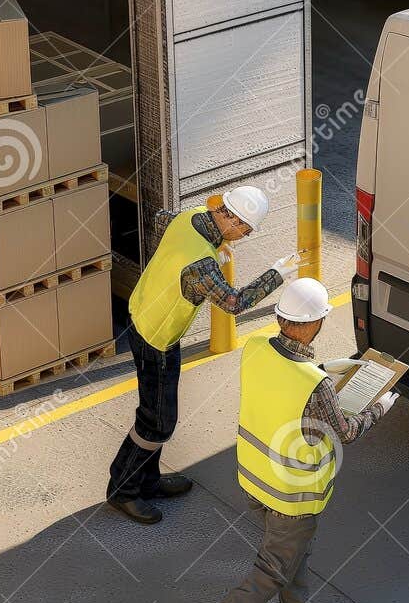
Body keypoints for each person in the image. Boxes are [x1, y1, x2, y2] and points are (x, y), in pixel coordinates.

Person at [163, 277, 397, 603]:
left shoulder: (256, 348)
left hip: (255, 480)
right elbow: (344, 431)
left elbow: (284, 383)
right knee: (271, 573)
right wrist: (379, 407)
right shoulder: (316, 385)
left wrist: (324, 371)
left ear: (280, 316)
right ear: (316, 323)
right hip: (293, 496)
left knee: (292, 556)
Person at [107, 186, 300, 524]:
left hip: (145, 314)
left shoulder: (191, 215)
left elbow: (160, 220)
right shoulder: (201, 267)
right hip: (156, 340)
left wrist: (215, 246)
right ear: (234, 221)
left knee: (158, 416)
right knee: (157, 423)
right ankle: (123, 489)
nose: (244, 237)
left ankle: (148, 481)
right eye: (246, 230)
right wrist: (276, 275)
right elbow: (234, 303)